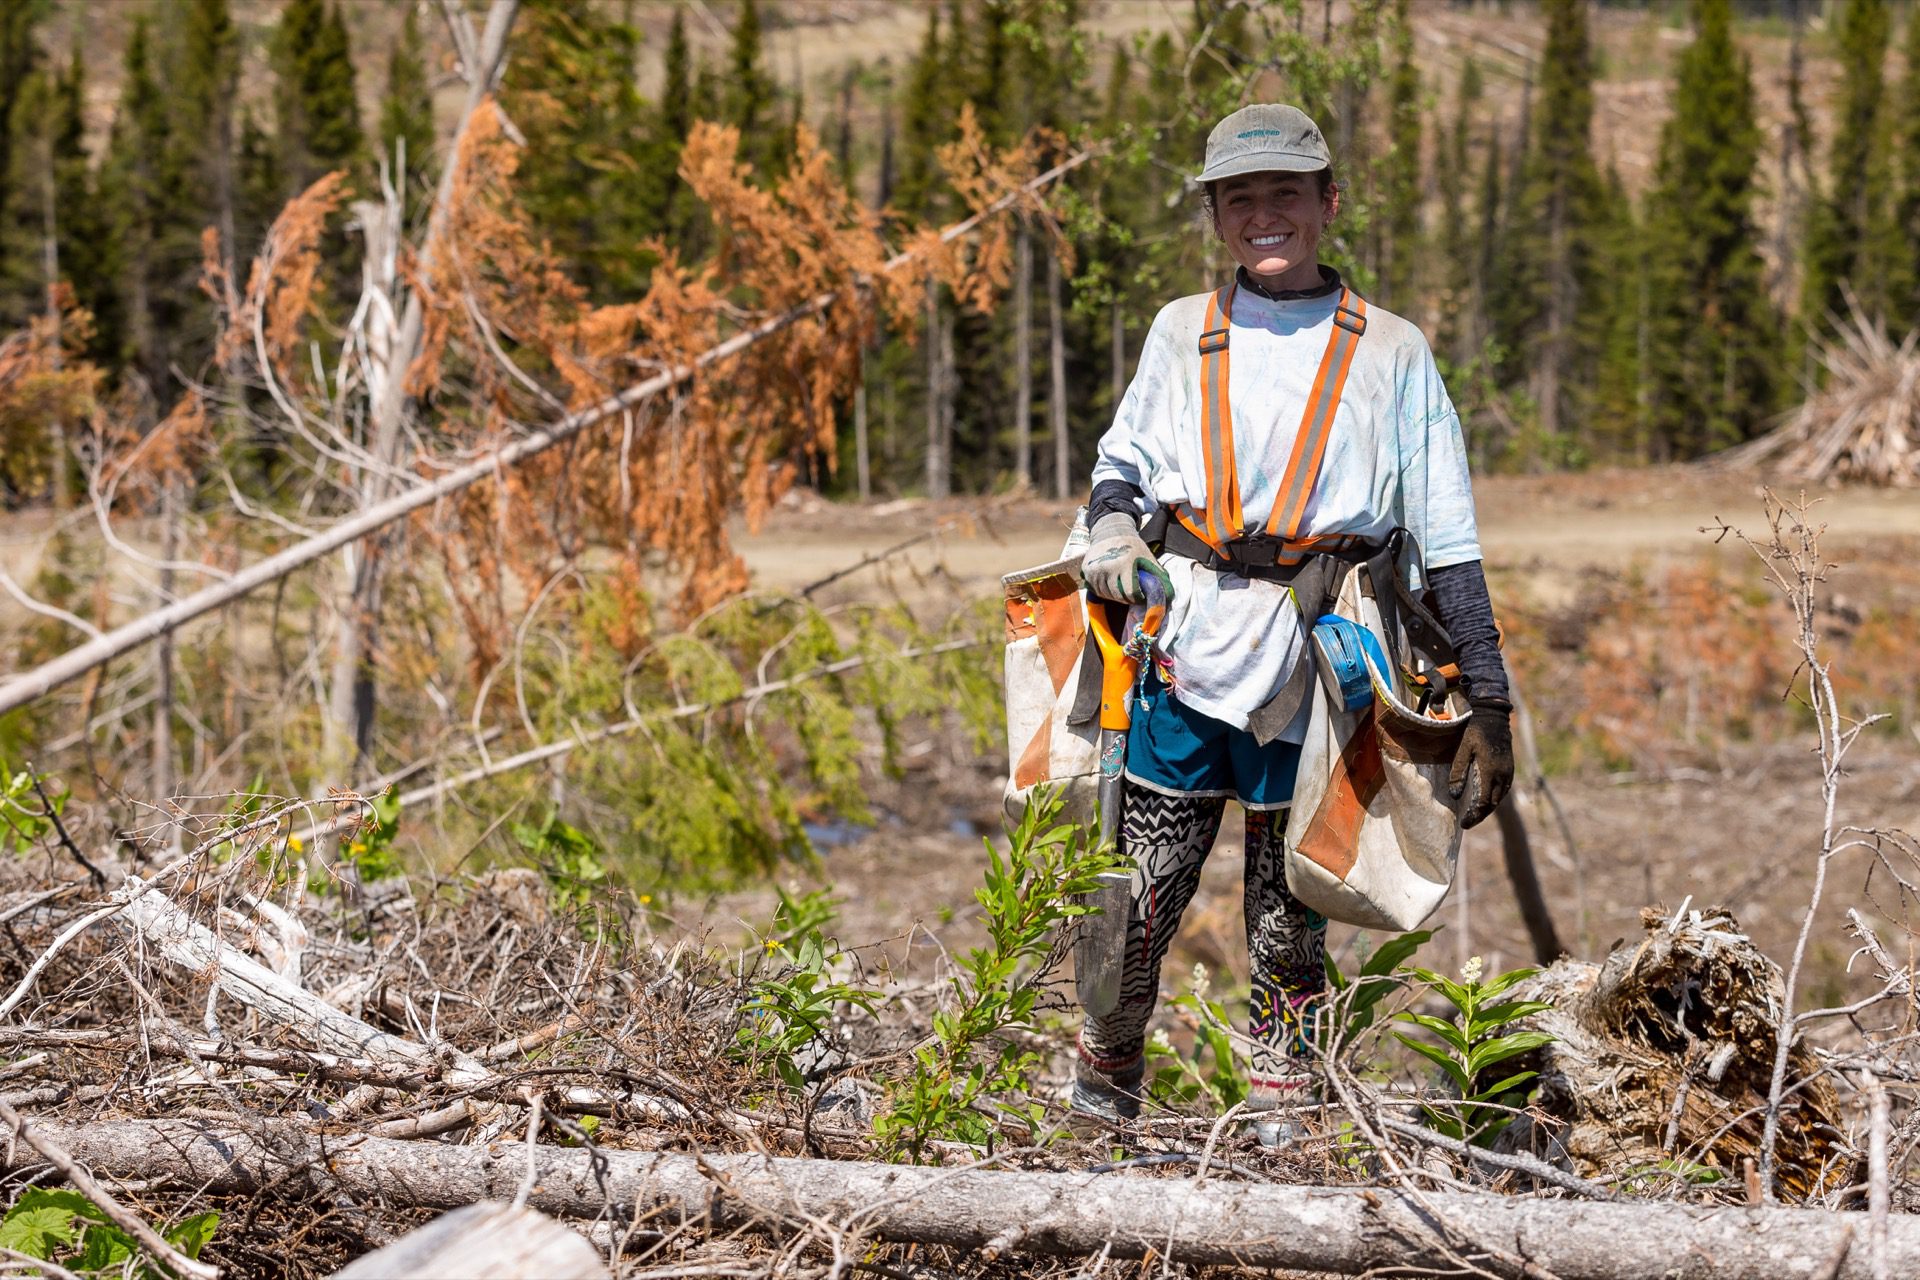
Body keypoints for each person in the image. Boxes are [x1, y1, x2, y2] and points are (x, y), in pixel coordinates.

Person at [1072, 104, 1514, 1122]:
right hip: (1181, 652)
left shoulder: (1394, 353)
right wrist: (1110, 532)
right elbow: (1123, 467)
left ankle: (1284, 1141)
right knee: (1134, 905)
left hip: (1325, 670)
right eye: (1239, 198)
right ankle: (1097, 1116)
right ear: (1217, 217)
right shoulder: (1181, 332)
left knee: (1291, 918)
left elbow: (1447, 534)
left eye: (1283, 193)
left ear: (1328, 203)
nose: (1262, 215)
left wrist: (1487, 697)